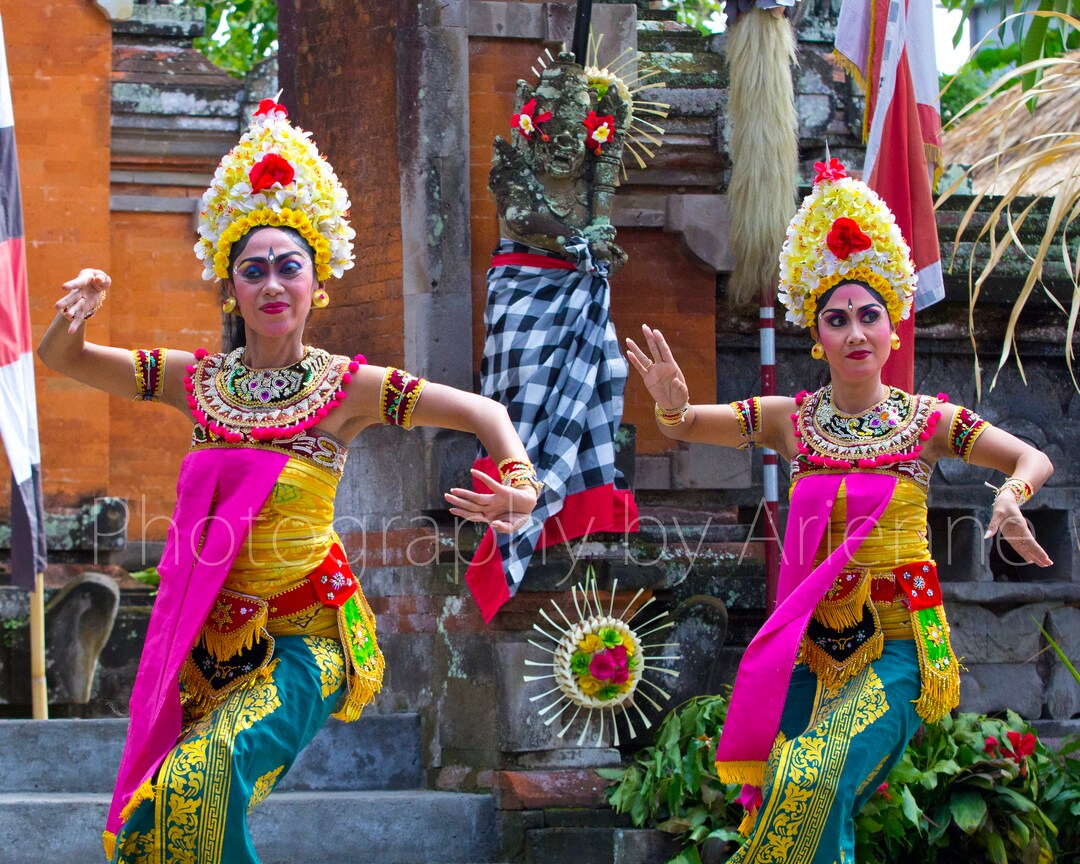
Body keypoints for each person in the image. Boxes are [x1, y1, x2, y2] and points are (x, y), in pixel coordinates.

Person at [37, 99, 540, 864]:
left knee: (202, 775)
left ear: (316, 281)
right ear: (232, 286)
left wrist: (522, 485)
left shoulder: (349, 387)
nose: (272, 283)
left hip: (308, 642)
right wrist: (72, 317)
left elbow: (483, 410)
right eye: (253, 269)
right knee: (155, 821)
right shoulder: (196, 381)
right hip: (210, 643)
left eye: (288, 266)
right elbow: (65, 360)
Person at [625, 157, 1054, 863]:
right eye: (837, 319)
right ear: (816, 334)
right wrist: (671, 400)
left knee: (815, 772)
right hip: (814, 645)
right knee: (793, 801)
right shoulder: (791, 421)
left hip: (902, 645)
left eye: (869, 316)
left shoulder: (928, 422)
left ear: (892, 326)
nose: (855, 332)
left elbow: (1028, 458)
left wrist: (1010, 498)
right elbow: (682, 425)